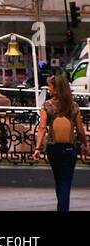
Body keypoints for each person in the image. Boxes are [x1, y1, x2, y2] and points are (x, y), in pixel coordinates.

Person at [36, 74, 87, 211]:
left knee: (59, 180)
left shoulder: (47, 106)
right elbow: (81, 130)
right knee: (65, 181)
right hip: (70, 149)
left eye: (50, 87)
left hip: (53, 149)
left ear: (57, 89)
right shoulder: (74, 106)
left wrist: (37, 148)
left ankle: (62, 208)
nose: (48, 90)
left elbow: (42, 128)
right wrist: (85, 145)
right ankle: (63, 208)